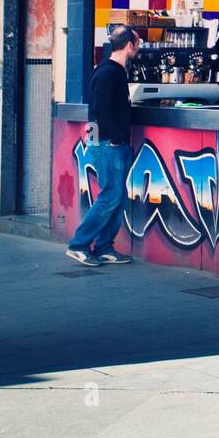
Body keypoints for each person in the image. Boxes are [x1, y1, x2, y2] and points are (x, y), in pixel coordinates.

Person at [66, 25, 140, 267]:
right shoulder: (109, 73)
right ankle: (78, 245)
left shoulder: (114, 71)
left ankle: (105, 247)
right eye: (137, 45)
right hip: (108, 144)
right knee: (110, 197)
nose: (138, 49)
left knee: (117, 198)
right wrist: (114, 138)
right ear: (129, 45)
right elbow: (99, 111)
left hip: (111, 143)